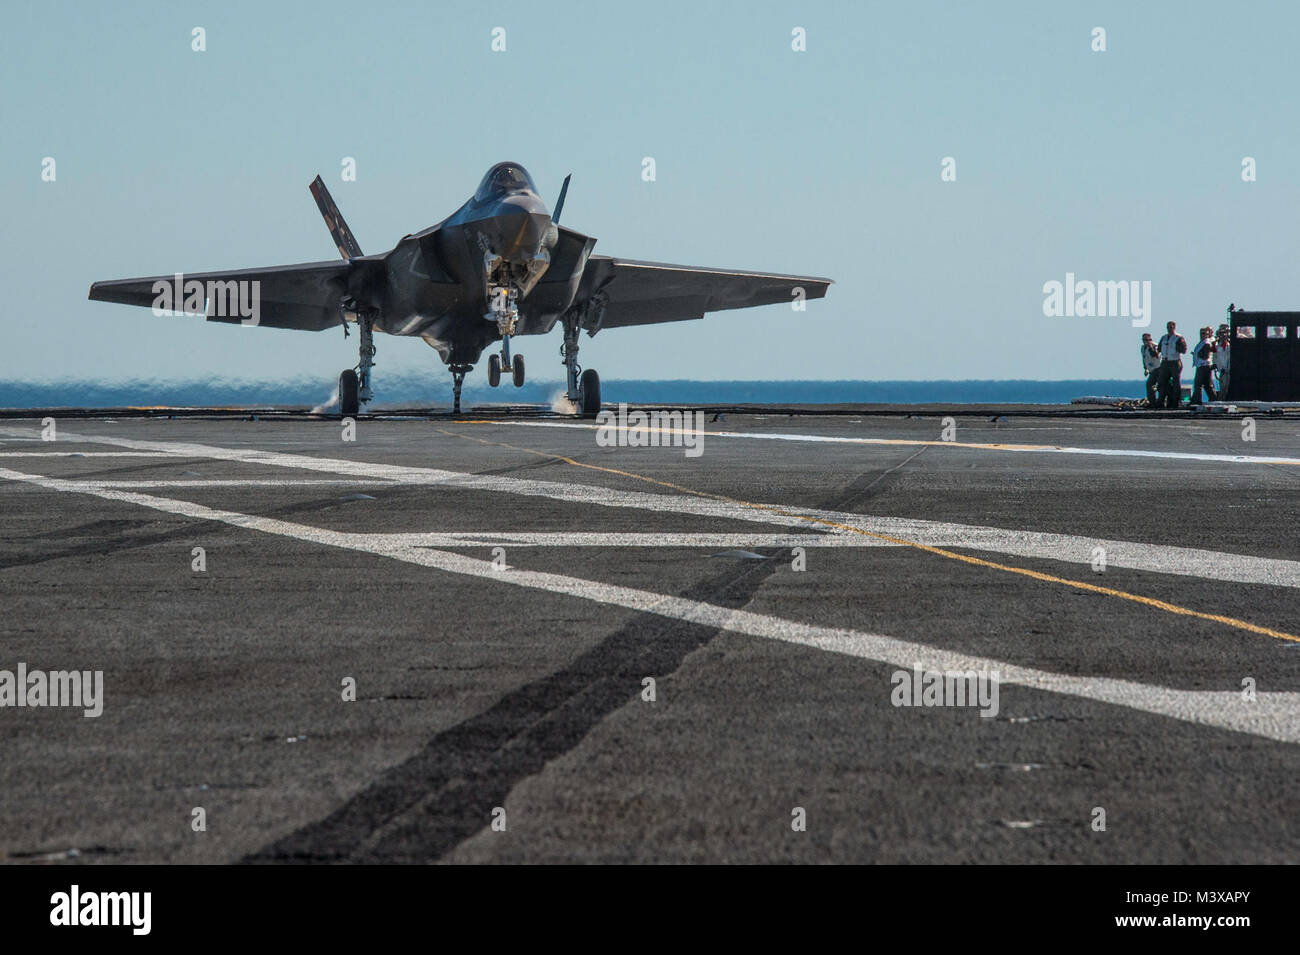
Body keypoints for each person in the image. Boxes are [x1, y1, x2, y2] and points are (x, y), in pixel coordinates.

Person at [1156, 321, 1186, 408]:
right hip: (1165, 362)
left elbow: (1184, 350)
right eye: (1168, 327)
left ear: (1174, 327)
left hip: (1175, 362)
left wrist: (1177, 347)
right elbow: (1159, 348)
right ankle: (1161, 402)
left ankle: (1175, 403)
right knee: (1162, 382)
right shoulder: (1164, 337)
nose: (1169, 329)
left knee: (1176, 383)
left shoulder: (1178, 337)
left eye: (1171, 327)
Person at [1189, 326, 1217, 405]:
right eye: (1201, 333)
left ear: (1208, 334)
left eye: (1204, 333)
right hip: (1201, 366)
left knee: (1198, 384)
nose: (1202, 335)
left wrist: (1198, 354)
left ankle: (1197, 400)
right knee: (1207, 385)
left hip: (1204, 366)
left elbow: (1205, 356)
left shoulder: (1206, 343)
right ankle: (1213, 399)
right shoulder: (1202, 343)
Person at [1140, 333, 1162, 406]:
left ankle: (1159, 402)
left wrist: (1150, 347)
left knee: (1154, 384)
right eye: (1144, 340)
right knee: (1150, 385)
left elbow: (1155, 355)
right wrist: (1145, 369)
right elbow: (1144, 359)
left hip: (1158, 368)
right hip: (1151, 369)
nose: (1146, 342)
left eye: (1148, 340)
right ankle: (1152, 402)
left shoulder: (1155, 346)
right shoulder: (1143, 348)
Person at [1214, 324, 1231, 399]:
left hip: (1229, 370)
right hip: (1222, 370)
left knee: (1227, 387)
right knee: (1222, 387)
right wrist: (1217, 368)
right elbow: (1215, 359)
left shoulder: (1230, 347)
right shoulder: (1217, 348)